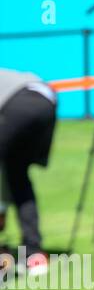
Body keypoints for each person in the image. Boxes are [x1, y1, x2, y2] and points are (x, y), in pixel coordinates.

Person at [0, 71, 57, 277]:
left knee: (16, 176)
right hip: (48, 103)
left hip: (20, 103)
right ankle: (34, 254)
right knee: (18, 177)